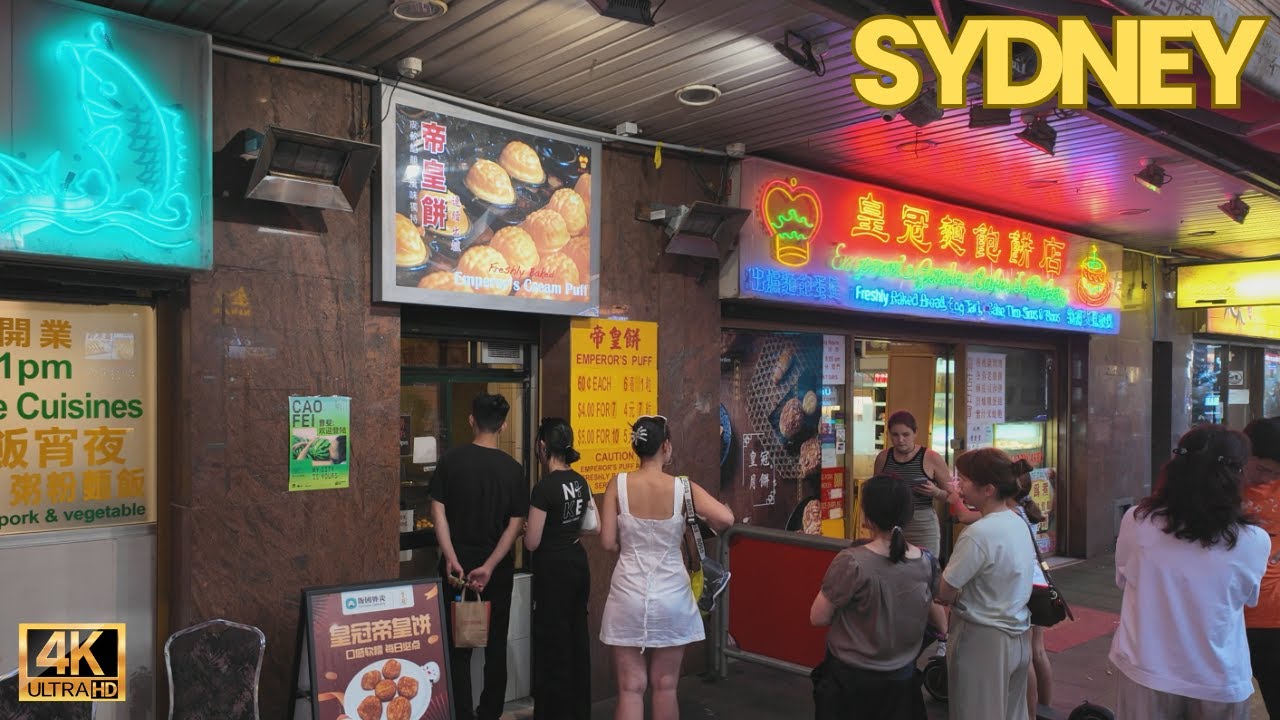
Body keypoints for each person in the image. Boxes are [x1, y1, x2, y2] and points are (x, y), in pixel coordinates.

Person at [1109, 424, 1270, 720]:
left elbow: (1124, 577)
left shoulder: (1137, 521)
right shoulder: (1255, 540)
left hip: (1145, 669)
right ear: (1236, 475)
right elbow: (1247, 598)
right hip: (1220, 678)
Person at [599, 415, 734, 720]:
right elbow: (726, 520)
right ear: (666, 446)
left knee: (631, 687)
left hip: (627, 594)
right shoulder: (682, 488)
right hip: (673, 594)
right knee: (665, 685)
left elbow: (607, 541)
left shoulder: (617, 484)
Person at [430, 393, 528, 720]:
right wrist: (489, 565)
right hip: (494, 575)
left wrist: (451, 556)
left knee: (458, 650)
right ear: (502, 425)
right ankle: (489, 713)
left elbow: (438, 514)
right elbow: (515, 526)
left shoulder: (450, 462)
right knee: (495, 647)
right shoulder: (514, 471)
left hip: (456, 572)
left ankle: (462, 714)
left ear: (471, 420)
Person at [808, 474, 936, 720]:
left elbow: (818, 617)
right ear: (908, 515)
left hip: (851, 684)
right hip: (903, 683)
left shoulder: (852, 561)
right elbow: (936, 617)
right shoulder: (926, 561)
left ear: (867, 516)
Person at [937, 449, 1036, 720]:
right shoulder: (1017, 522)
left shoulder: (978, 534)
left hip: (983, 641)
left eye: (965, 481)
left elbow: (945, 590)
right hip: (1018, 635)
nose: (959, 487)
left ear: (989, 489)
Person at [525, 417, 594, 720]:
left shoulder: (544, 489)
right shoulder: (580, 481)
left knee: (553, 643)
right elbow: (594, 525)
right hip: (578, 564)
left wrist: (524, 529)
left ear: (542, 447)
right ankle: (578, 710)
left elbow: (531, 542)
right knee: (577, 636)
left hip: (552, 571)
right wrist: (571, 533)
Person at [875, 410, 950, 656]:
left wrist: (936, 493)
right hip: (894, 524)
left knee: (926, 583)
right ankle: (903, 633)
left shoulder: (930, 457)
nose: (900, 440)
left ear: (915, 434)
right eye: (895, 435)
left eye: (905, 435)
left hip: (923, 523)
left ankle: (943, 637)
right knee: (894, 578)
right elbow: (877, 490)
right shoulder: (884, 457)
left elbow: (954, 494)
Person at [1243, 417, 1280, 717]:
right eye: (1263, 469)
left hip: (1274, 619)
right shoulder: (1219, 485)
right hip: (1225, 620)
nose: (1268, 478)